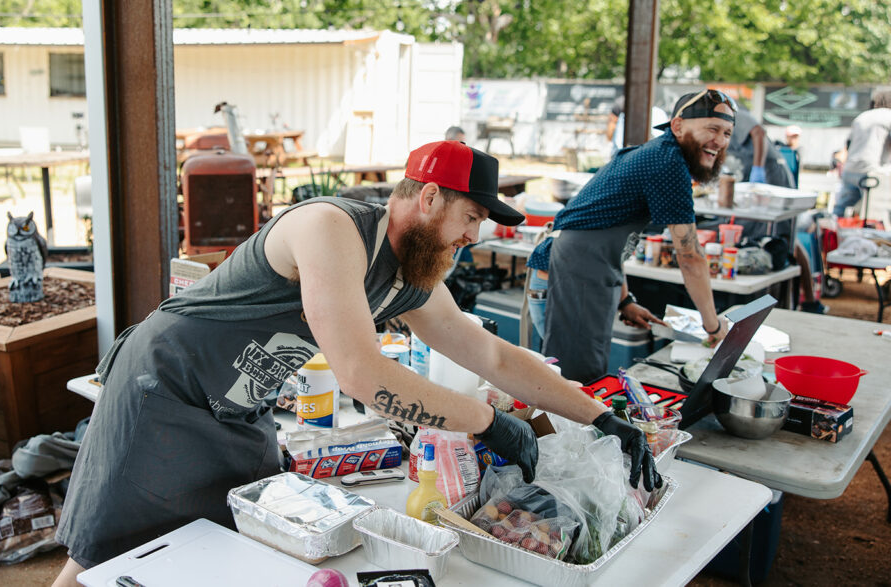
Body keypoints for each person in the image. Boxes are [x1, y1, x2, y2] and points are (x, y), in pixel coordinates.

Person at [52, 140, 660, 585]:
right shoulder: (331, 228)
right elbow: (361, 375)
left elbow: (494, 355)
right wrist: (486, 421)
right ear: (428, 198)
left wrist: (600, 416)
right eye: (471, 218)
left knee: (229, 546)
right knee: (106, 553)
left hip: (239, 407)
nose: (474, 237)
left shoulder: (413, 277)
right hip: (165, 383)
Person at [526, 90, 735, 384]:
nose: (720, 141)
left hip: (577, 274)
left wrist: (626, 302)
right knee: (574, 386)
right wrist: (714, 329)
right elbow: (690, 256)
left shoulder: (657, 154)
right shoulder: (667, 163)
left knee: (580, 382)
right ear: (677, 126)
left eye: (727, 132)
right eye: (712, 128)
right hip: (567, 277)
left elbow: (609, 235)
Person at [725, 110, 827, 314]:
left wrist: (758, 168)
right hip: (749, 187)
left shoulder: (733, 114)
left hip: (771, 180)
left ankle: (808, 300)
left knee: (786, 242)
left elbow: (759, 133)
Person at [832, 88, 891, 218]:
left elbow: (848, 144)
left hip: (850, 169)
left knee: (841, 209)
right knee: (871, 215)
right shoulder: (889, 116)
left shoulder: (861, 117)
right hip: (873, 171)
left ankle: (831, 233)